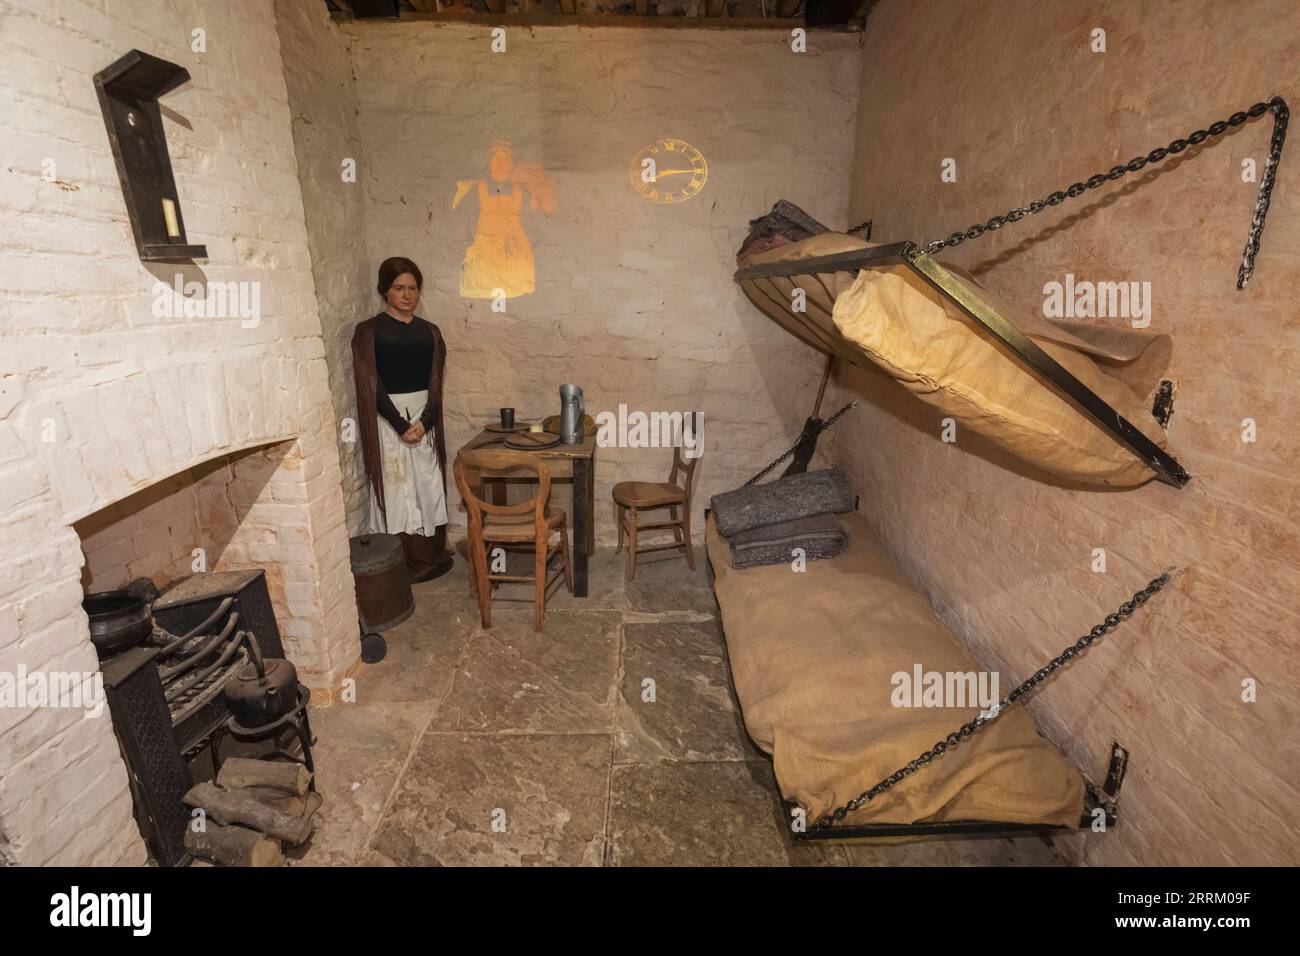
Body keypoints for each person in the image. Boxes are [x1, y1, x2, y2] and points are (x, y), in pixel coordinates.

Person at [351, 257, 453, 581]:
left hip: (425, 421)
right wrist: (400, 426)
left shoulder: (431, 333)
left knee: (427, 485)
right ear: (385, 291)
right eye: (399, 288)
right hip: (388, 422)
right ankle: (402, 561)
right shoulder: (368, 332)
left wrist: (425, 422)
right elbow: (371, 385)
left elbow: (436, 383)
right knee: (398, 491)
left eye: (412, 288)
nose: (406, 295)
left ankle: (431, 555)